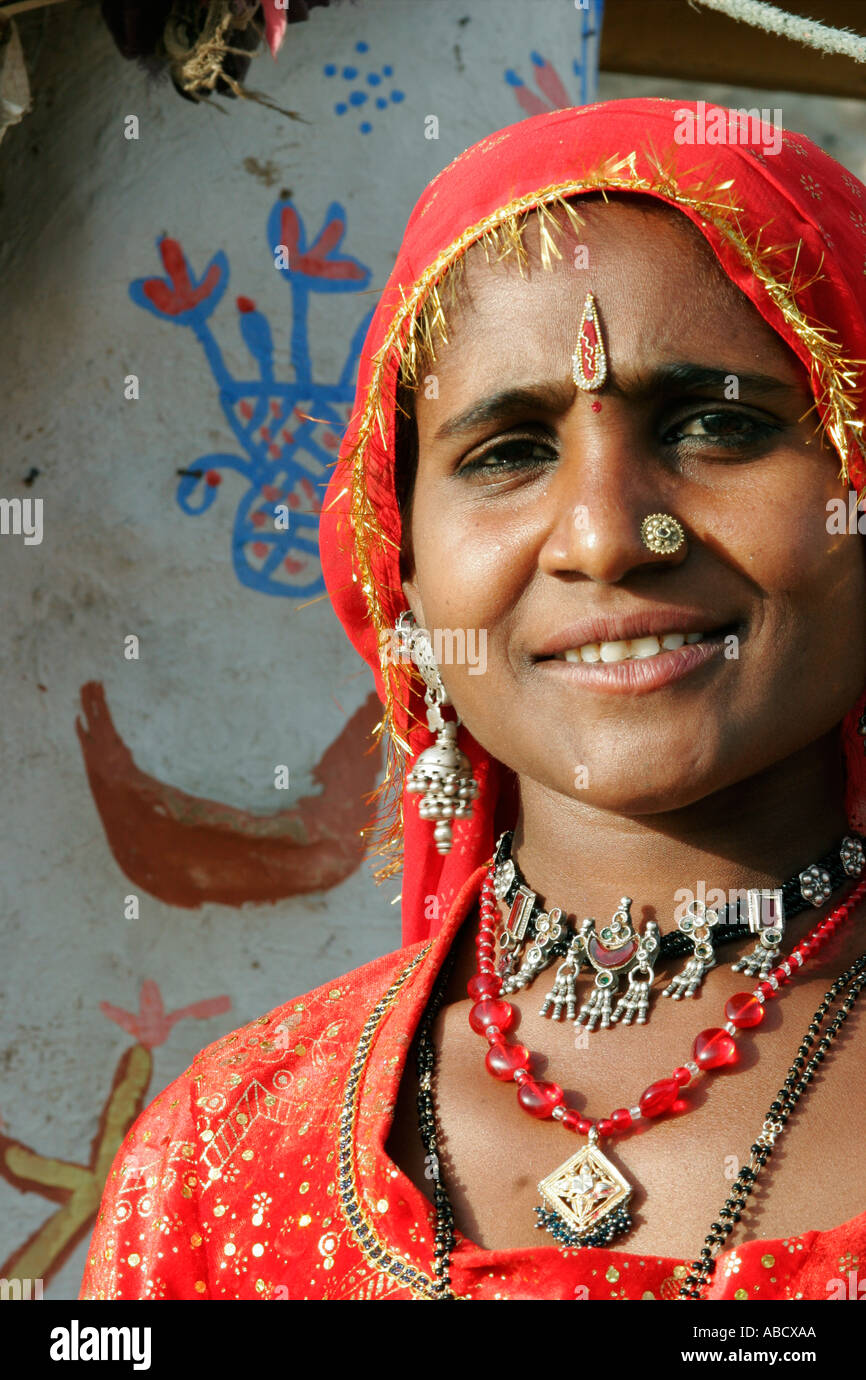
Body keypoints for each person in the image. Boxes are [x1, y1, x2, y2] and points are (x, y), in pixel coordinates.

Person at [81, 98, 866, 1302]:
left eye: (716, 424)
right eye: (505, 451)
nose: (607, 536)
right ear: (398, 558)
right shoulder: (221, 1162)